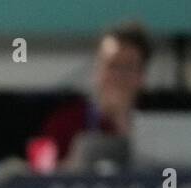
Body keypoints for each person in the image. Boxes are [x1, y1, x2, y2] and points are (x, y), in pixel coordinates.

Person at [30, 20, 151, 172]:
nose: (118, 76)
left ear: (142, 76)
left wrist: (121, 123)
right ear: (97, 70)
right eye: (112, 65)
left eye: (128, 67)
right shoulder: (64, 122)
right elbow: (37, 174)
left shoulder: (159, 129)